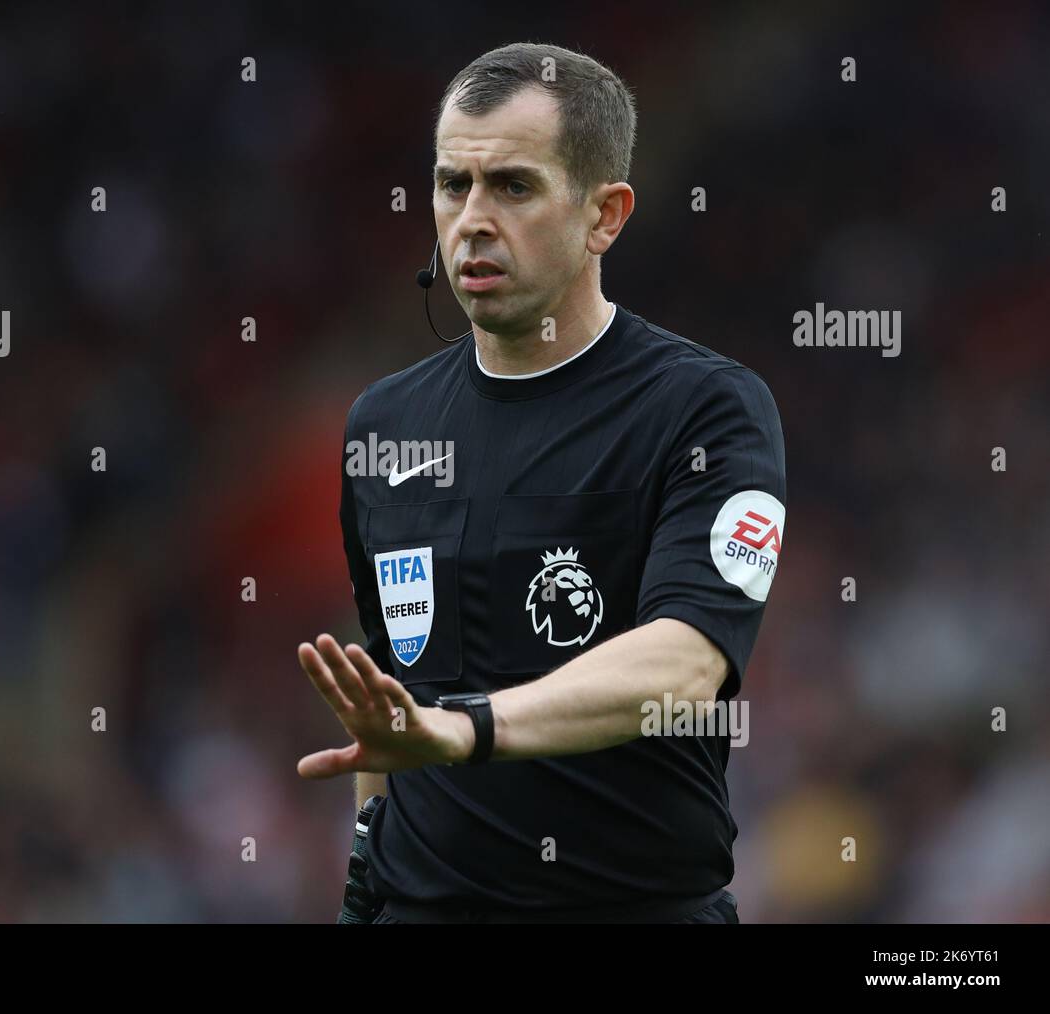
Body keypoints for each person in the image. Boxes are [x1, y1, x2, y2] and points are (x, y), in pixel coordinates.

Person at [298, 42, 785, 924]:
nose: (472, 220)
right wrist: (365, 863)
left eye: (513, 187)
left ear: (606, 215)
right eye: (454, 185)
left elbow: (685, 667)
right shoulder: (383, 425)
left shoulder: (705, 410)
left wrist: (469, 728)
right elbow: (391, 696)